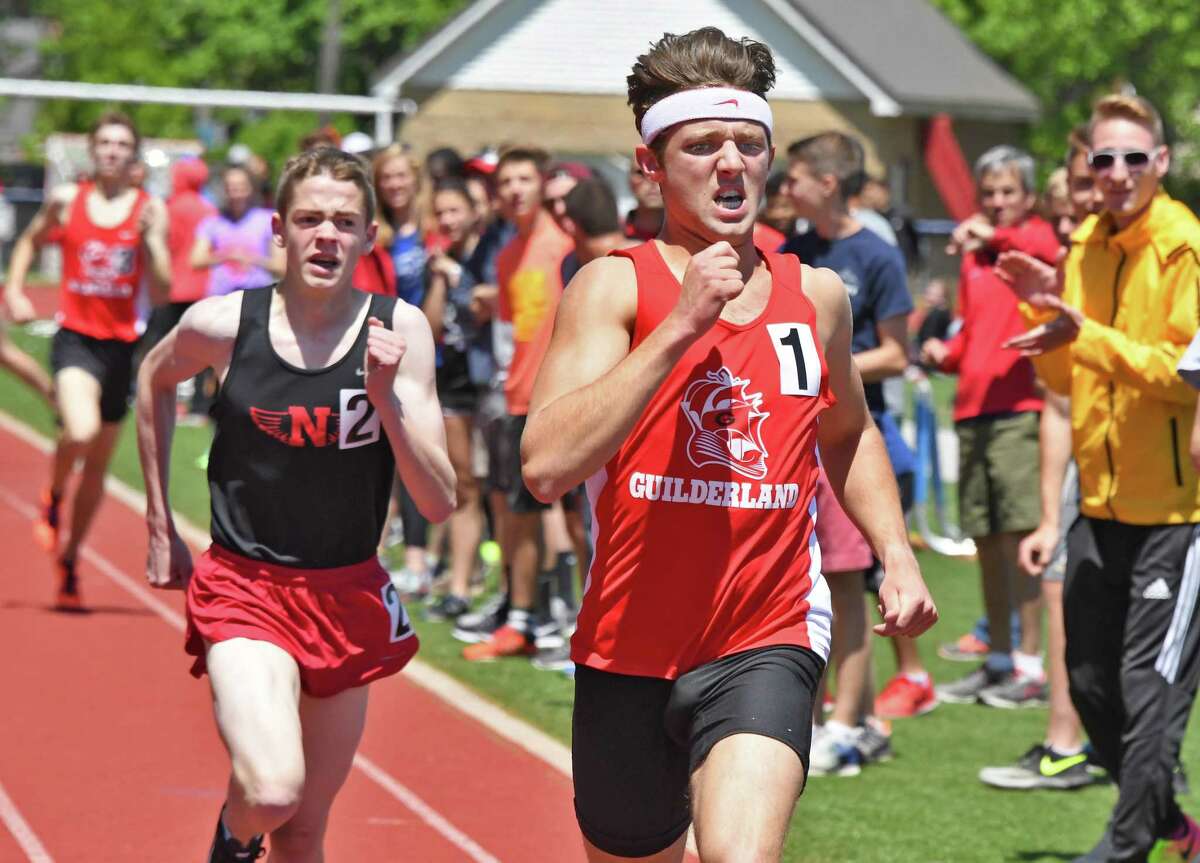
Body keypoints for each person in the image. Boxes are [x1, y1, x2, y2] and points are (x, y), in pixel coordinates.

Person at [521, 27, 936, 862]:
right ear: (650, 163)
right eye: (702, 144)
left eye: (749, 144)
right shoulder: (613, 287)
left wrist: (897, 552)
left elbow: (847, 437)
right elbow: (545, 464)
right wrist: (677, 327)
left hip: (767, 634)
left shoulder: (814, 297)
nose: (730, 164)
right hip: (628, 642)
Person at [136, 146, 455, 862]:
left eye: (345, 221)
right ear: (279, 230)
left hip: (346, 592)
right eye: (309, 218)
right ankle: (230, 840)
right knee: (275, 789)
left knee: (305, 830)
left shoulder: (400, 332)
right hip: (246, 587)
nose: (326, 235)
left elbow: (438, 502)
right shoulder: (224, 323)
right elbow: (154, 381)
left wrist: (386, 402)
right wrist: (161, 524)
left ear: (370, 236)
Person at [1003, 93, 1200, 863]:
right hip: (1097, 502)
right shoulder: (1084, 240)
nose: (1115, 173)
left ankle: (1122, 847)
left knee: (1151, 691)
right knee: (1087, 679)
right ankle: (1173, 828)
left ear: (1161, 163)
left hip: (1177, 515)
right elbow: (1064, 375)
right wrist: (1044, 312)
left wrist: (1089, 334)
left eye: (1131, 158)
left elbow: (1185, 377)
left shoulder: (1184, 244)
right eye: (1102, 159)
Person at [782, 132, 929, 770]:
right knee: (805, 579)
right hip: (796, 439)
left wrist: (825, 365)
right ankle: (815, 718)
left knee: (846, 581)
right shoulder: (793, 253)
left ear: (829, 183)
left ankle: (846, 724)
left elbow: (898, 354)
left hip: (854, 437)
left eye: (794, 178)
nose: (783, 189)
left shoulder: (875, 254)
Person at [4, 111, 170, 609]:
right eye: (105, 143)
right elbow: (31, 240)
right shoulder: (65, 200)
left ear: (133, 155)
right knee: (78, 430)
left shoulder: (148, 209)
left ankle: (71, 557)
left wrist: (150, 240)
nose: (113, 152)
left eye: (122, 144)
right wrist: (13, 287)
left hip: (123, 346)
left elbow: (162, 290)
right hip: (75, 337)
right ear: (92, 151)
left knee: (97, 463)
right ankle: (54, 496)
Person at [980, 125, 1101, 792]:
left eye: (1081, 188)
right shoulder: (1080, 259)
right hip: (1084, 457)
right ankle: (1064, 740)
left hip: (1146, 472)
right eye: (1073, 191)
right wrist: (1051, 516)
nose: (1082, 200)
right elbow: (1058, 398)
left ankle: (1116, 751)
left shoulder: (1163, 250)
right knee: (1057, 587)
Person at [921, 145, 1059, 709]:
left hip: (1019, 410)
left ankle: (1030, 662)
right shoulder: (977, 260)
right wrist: (944, 352)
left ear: (1028, 197)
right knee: (985, 540)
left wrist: (987, 236)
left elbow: (1043, 251)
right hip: (973, 410)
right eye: (990, 194)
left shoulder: (1035, 242)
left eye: (1008, 193)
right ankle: (998, 658)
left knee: (1020, 540)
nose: (997, 204)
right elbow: (975, 332)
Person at [462, 145, 575, 661]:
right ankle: (522, 616)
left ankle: (565, 617)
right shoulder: (508, 255)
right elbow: (509, 334)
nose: (514, 190)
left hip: (567, 397)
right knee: (516, 513)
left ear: (542, 183)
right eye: (506, 181)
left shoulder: (567, 246)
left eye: (523, 179)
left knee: (576, 519)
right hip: (517, 400)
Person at [421, 178, 496, 621]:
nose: (448, 220)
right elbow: (431, 327)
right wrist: (439, 277)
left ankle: (471, 581)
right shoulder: (444, 261)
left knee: (484, 487)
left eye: (455, 211)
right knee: (460, 482)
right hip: (450, 380)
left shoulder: (487, 252)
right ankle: (459, 581)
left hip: (485, 381)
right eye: (441, 212)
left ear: (472, 211)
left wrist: (460, 278)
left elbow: (489, 306)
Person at [372, 144, 435, 592]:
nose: (394, 185)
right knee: (377, 458)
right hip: (382, 353)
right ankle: (372, 554)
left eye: (400, 176)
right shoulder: (378, 233)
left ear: (415, 178)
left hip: (428, 356)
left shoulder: (432, 231)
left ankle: (417, 560)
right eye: (386, 178)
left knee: (416, 454)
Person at [191, 164, 284, 298]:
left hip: (257, 298)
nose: (235, 192)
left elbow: (281, 267)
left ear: (251, 188)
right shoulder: (212, 223)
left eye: (240, 186)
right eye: (230, 187)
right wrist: (226, 256)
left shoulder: (267, 220)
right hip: (221, 299)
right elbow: (196, 260)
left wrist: (252, 259)